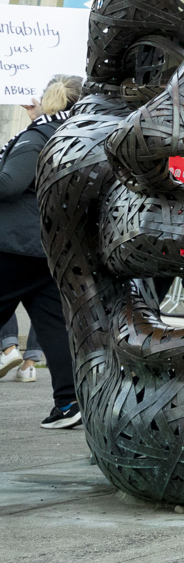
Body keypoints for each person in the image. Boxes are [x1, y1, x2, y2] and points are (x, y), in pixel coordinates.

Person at [0, 76, 83, 428]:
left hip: (14, 245)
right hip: (54, 246)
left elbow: (9, 185)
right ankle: (69, 404)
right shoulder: (78, 136)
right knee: (53, 327)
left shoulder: (37, 137)